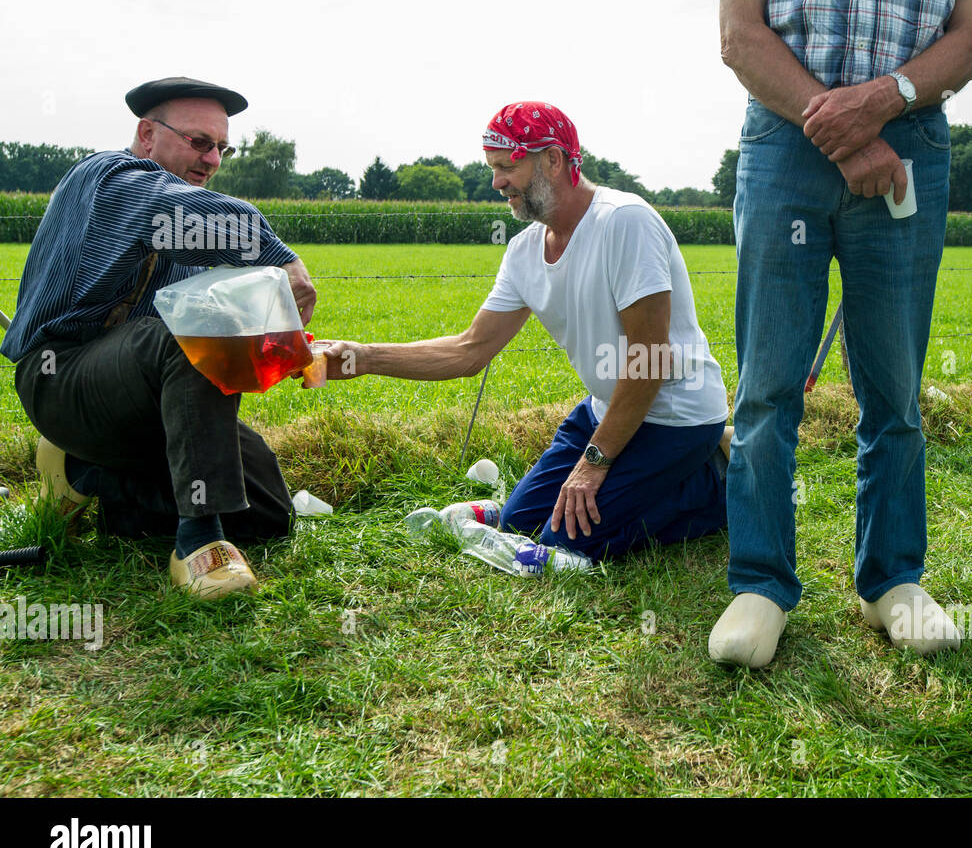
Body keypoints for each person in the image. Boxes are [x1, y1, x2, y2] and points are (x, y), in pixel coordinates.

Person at [706, 0, 972, 668]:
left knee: (894, 384)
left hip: (911, 143)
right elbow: (741, 34)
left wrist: (881, 102)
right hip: (784, 137)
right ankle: (760, 583)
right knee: (768, 382)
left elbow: (968, 40)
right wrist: (840, 126)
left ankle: (892, 580)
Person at [321, 101, 730, 560]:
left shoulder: (624, 221)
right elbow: (469, 350)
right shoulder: (523, 251)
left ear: (553, 160)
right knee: (520, 522)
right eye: (493, 168)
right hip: (607, 410)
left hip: (675, 415)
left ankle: (721, 481)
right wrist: (364, 357)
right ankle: (673, 475)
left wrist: (594, 464)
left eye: (506, 167)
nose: (497, 183)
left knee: (571, 542)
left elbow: (650, 360)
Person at [2, 77, 318, 599]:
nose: (213, 159)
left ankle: (87, 472)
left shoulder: (184, 219)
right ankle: (198, 542)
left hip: (138, 403)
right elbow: (186, 215)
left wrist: (272, 349)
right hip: (61, 380)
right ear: (148, 134)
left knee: (265, 510)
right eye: (199, 142)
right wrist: (282, 259)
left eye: (222, 146)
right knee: (185, 336)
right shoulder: (111, 177)